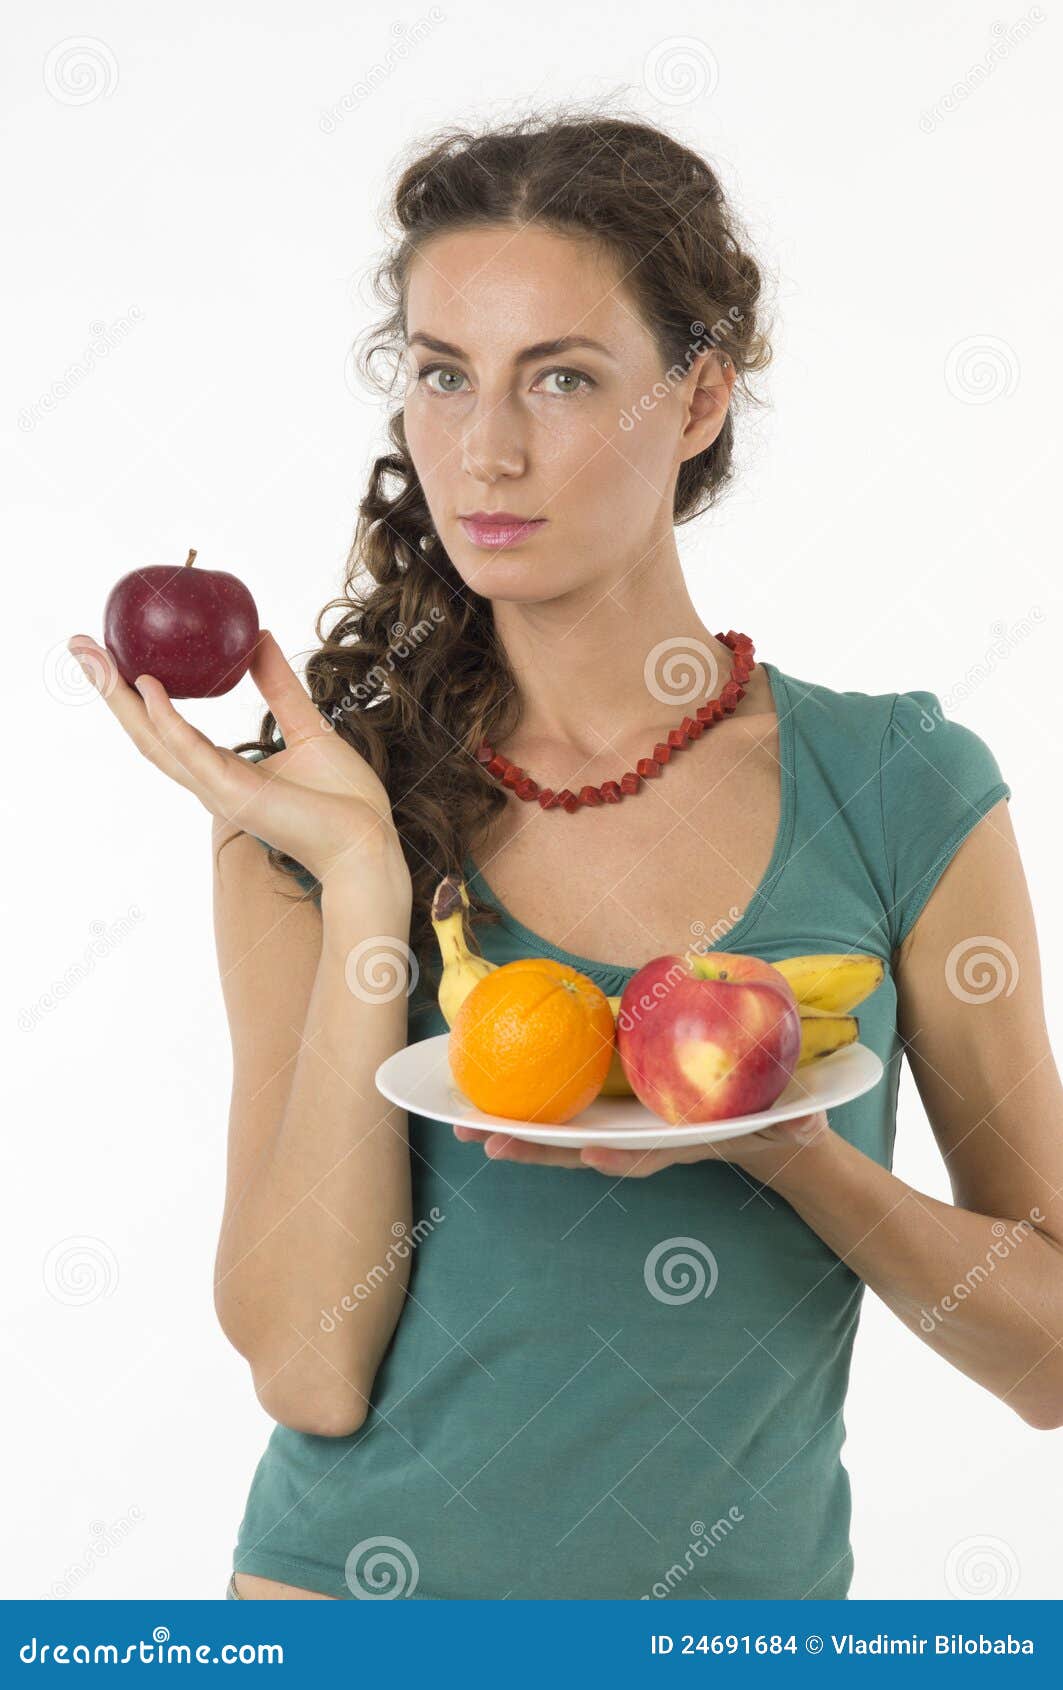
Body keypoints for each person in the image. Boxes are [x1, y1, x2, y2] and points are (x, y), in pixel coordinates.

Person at [68, 110, 1063, 1603]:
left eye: (566, 377)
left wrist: (794, 1161)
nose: (490, 449)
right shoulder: (322, 811)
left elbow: (1047, 1359)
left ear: (703, 394)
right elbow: (305, 1361)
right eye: (443, 374)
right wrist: (362, 899)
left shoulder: (901, 788)